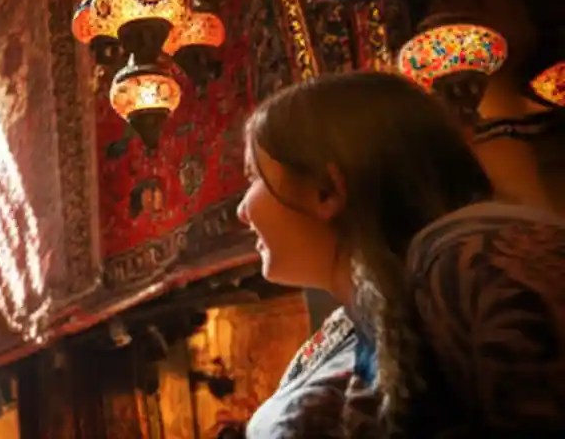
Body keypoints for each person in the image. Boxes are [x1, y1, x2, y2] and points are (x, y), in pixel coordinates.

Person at [236, 71, 565, 437]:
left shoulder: (475, 259)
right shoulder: (363, 317)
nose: (242, 212)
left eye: (254, 178)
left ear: (326, 190)